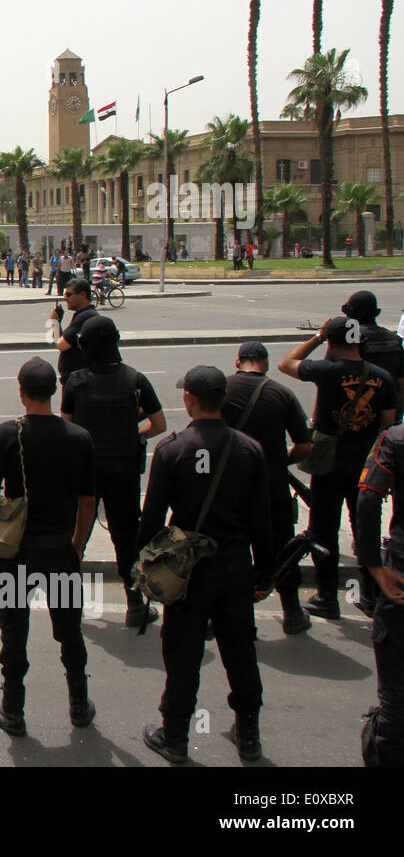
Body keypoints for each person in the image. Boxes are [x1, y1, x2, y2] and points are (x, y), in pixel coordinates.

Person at [139, 366, 273, 765]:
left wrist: (141, 565)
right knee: (240, 652)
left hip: (187, 572)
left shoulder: (172, 449)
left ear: (190, 399)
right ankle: (248, 734)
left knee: (182, 654)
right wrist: (264, 573)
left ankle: (175, 736)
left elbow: (152, 518)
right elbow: (262, 521)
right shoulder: (249, 449)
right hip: (233, 568)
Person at [0, 357, 97, 736]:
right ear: (54, 392)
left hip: (17, 556)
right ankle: (79, 704)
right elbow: (88, 502)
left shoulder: (7, 435)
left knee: (14, 630)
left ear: (21, 392)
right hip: (60, 552)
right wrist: (78, 544)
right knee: (69, 629)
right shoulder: (80, 438)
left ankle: (13, 708)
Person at [279, 317, 398, 620]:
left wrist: (317, 337)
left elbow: (287, 364)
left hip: (329, 461)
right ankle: (370, 594)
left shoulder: (327, 371)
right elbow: (388, 418)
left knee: (324, 529)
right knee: (364, 525)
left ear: (331, 344)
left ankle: (327, 597)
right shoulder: (382, 377)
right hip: (366, 463)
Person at [60, 316, 167, 626]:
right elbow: (159, 425)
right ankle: (135, 604)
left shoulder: (76, 381)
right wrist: (135, 434)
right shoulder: (136, 380)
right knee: (126, 537)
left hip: (86, 472)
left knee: (76, 536)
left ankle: (69, 602)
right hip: (124, 470)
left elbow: (66, 428)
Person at [221, 341, 314, 634]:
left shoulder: (221, 389)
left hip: (230, 486)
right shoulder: (281, 393)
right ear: (266, 363)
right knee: (282, 548)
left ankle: (240, 619)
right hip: (272, 485)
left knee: (233, 550)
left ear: (238, 362)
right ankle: (292, 611)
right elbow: (304, 446)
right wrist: (279, 462)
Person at [357, 424, 404, 765]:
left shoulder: (396, 438)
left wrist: (373, 565)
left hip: (400, 580)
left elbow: (369, 497)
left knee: (396, 702)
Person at [343, 290, 404, 405]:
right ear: (376, 313)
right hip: (386, 406)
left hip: (353, 408)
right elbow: (401, 380)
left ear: (349, 312)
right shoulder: (395, 339)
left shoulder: (346, 339)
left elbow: (328, 376)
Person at [49, 277, 99, 388]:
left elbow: (61, 345)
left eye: (68, 294)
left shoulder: (86, 316)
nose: (65, 298)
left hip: (79, 383)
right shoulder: (82, 315)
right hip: (75, 380)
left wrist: (55, 323)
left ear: (82, 294)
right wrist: (56, 322)